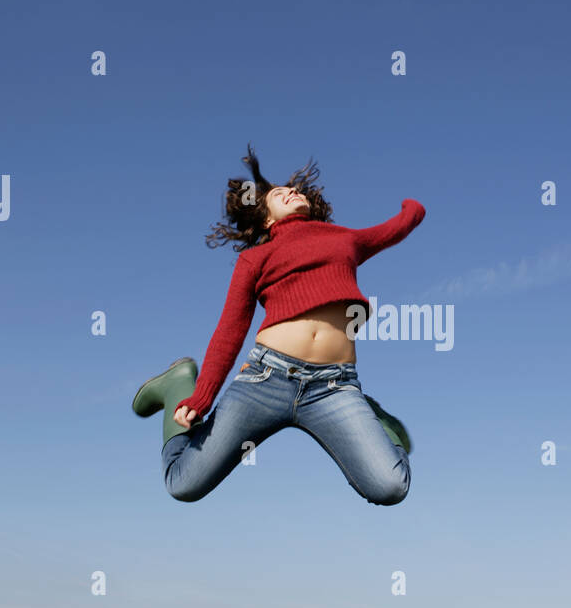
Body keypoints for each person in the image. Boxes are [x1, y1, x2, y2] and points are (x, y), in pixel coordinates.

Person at [131, 148, 426, 505]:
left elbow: (391, 231)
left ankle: (377, 419)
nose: (290, 192)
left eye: (294, 189)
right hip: (265, 380)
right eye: (277, 194)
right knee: (183, 484)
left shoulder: (343, 238)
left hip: (334, 387)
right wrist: (203, 394)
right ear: (266, 218)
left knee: (390, 486)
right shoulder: (255, 257)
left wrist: (411, 210)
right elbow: (230, 328)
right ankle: (177, 383)